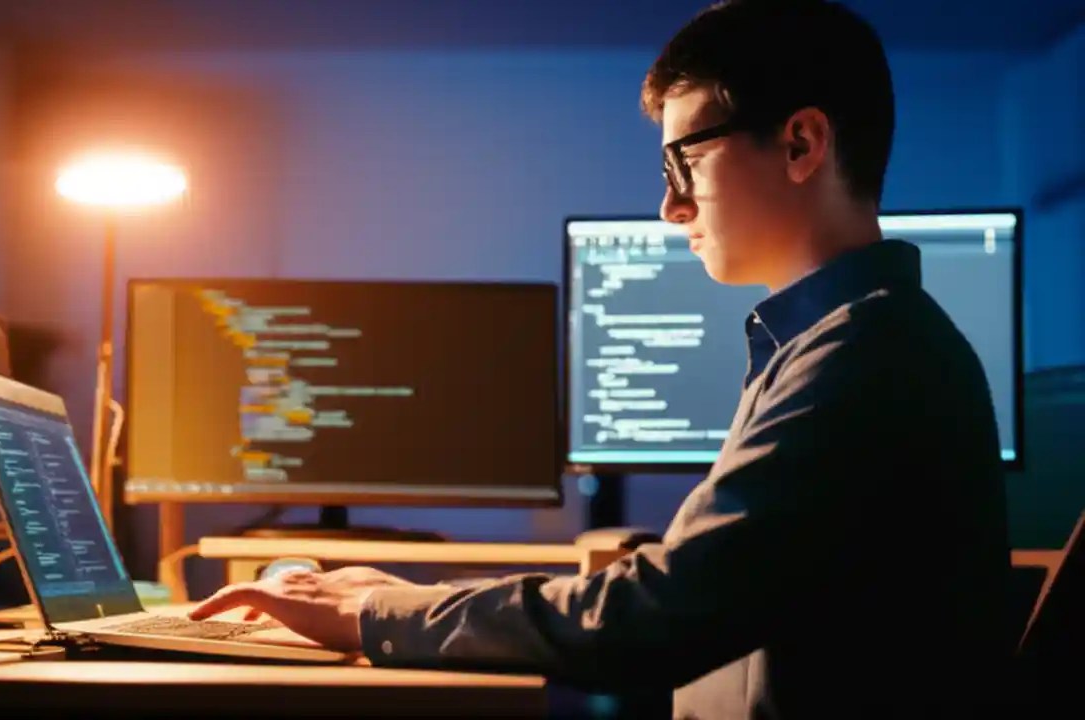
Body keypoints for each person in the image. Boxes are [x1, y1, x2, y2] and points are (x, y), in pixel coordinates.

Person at [189, 0, 1014, 716]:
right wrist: (407, 604)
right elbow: (692, 593)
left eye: (684, 161)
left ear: (801, 144)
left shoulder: (865, 358)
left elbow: (654, 619)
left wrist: (375, 613)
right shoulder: (853, 342)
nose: (669, 206)